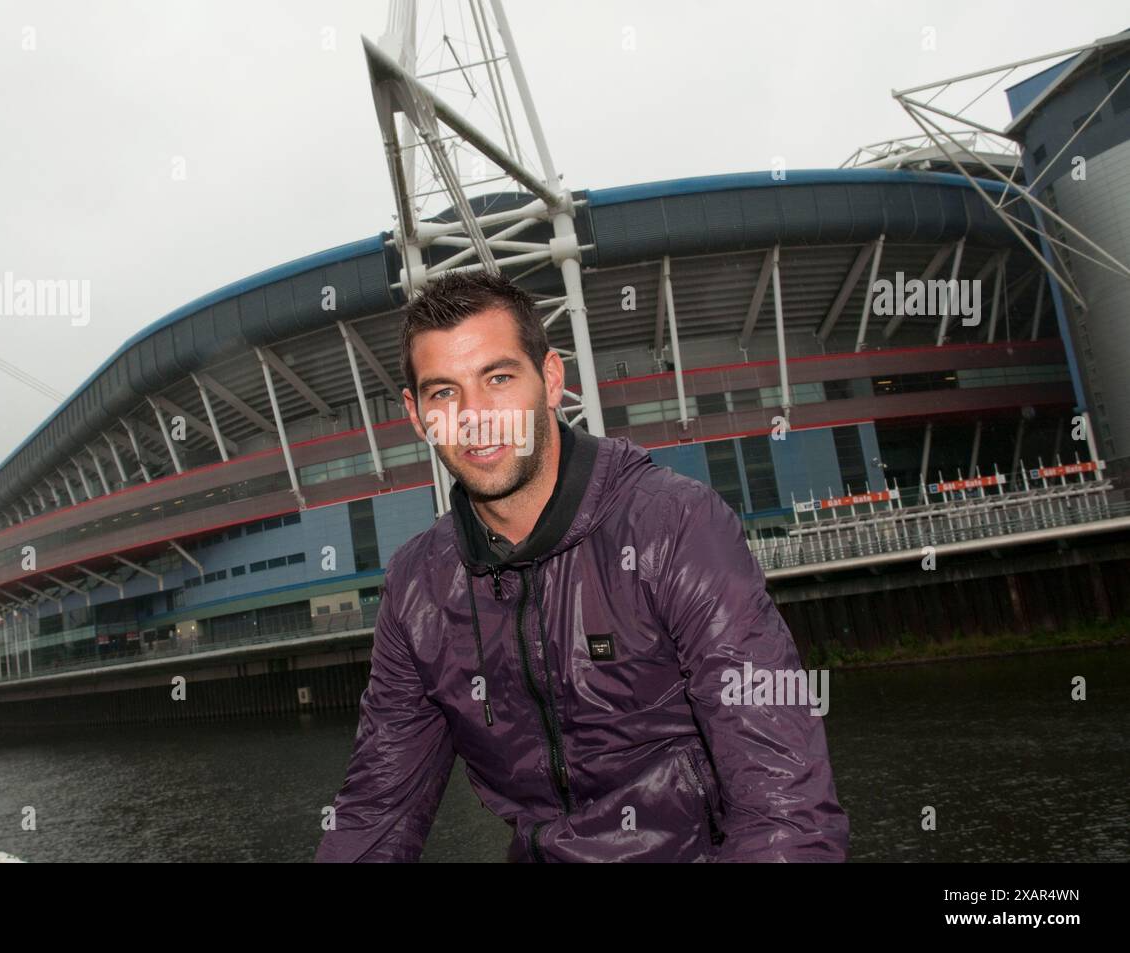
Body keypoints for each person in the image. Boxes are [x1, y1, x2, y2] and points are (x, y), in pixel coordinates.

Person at [315, 270, 849, 862]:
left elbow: (784, 803)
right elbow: (375, 814)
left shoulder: (675, 526)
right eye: (444, 392)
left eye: (497, 378)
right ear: (417, 416)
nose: (474, 415)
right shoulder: (418, 589)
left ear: (549, 380)